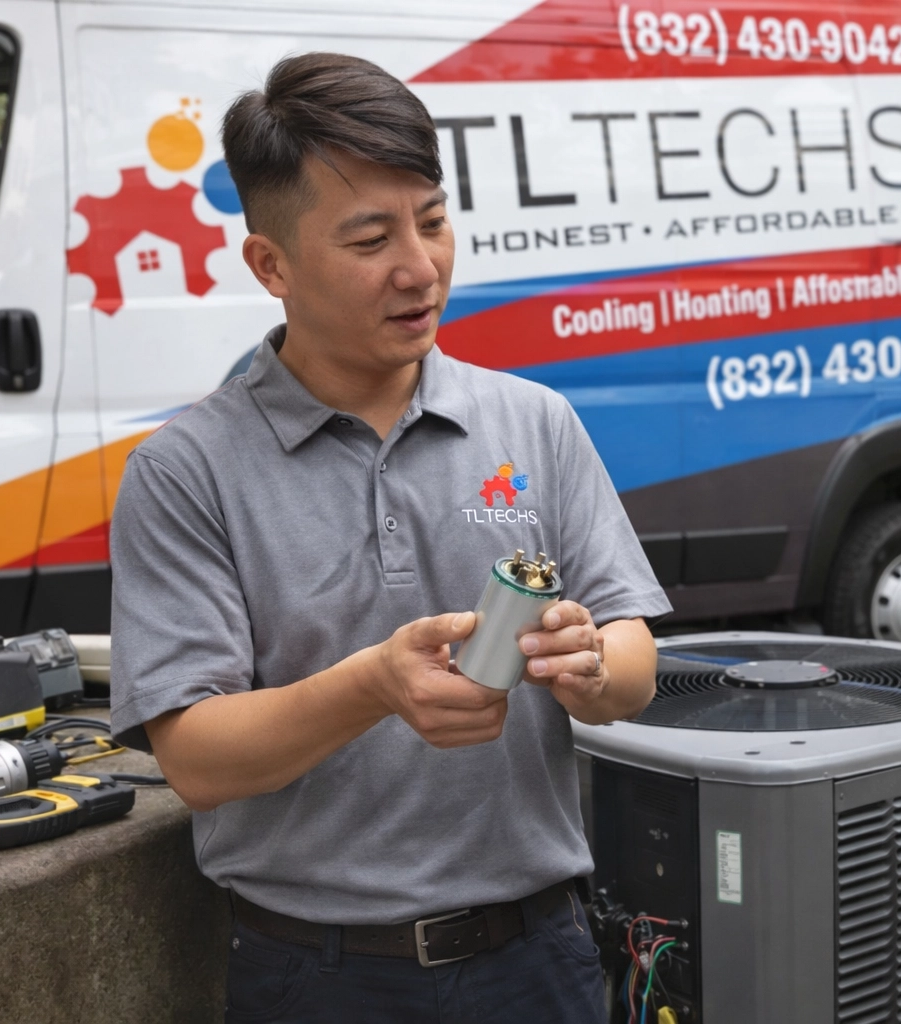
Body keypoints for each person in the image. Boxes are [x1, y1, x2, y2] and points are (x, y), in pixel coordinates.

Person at [109, 52, 670, 1023]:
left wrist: (590, 662)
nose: (420, 267)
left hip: (538, 957)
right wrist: (373, 685)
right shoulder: (186, 470)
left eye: (435, 220)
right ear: (270, 264)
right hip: (315, 976)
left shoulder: (533, 420)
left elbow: (635, 662)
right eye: (370, 237)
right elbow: (194, 755)